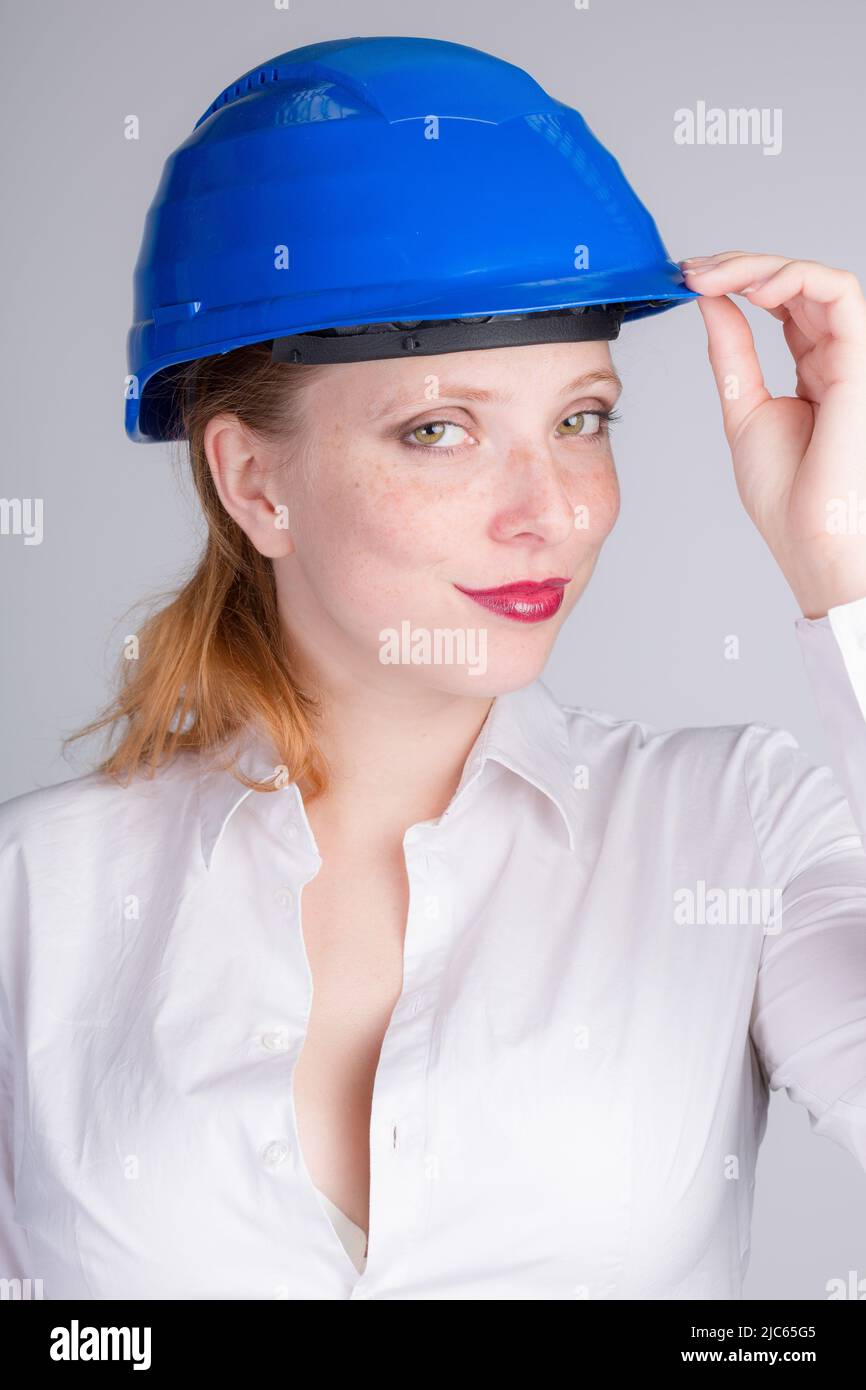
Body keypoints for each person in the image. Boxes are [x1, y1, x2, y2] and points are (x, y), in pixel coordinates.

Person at [1, 35, 865, 1301]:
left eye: (580, 420)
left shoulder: (734, 833)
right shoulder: (36, 900)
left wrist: (844, 580)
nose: (550, 512)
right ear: (254, 481)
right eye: (438, 431)